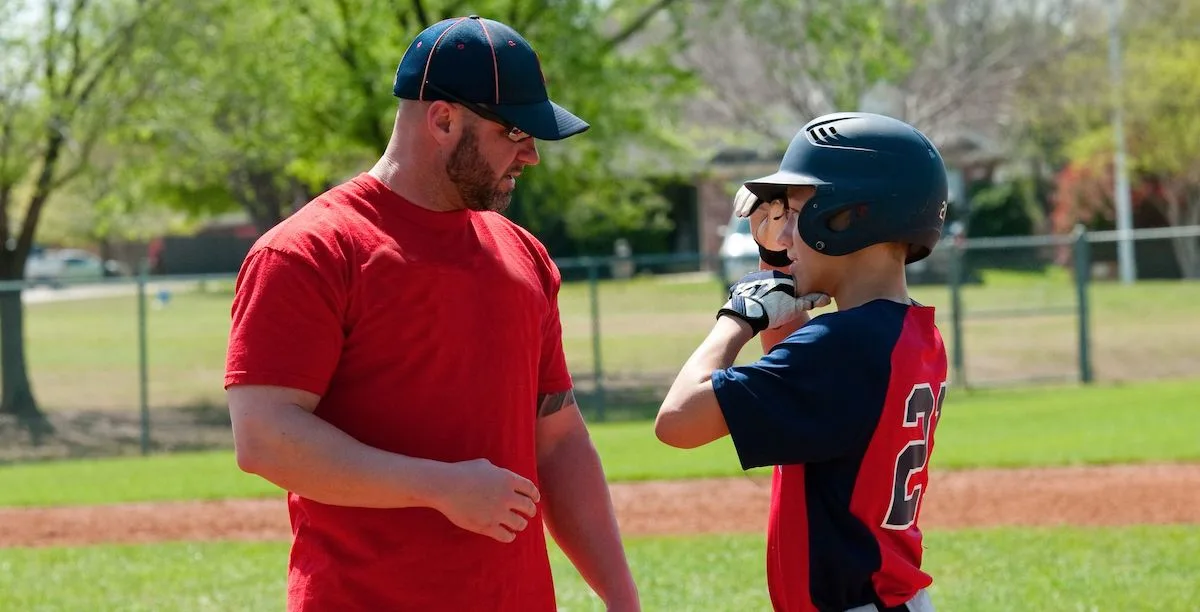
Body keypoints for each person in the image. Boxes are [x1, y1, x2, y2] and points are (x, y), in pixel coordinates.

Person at [224, 15, 639, 612]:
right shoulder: (309, 251)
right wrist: (439, 487)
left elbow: (559, 442)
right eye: (516, 131)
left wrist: (623, 601)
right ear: (443, 119)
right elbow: (264, 439)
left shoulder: (523, 254)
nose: (531, 156)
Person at [654, 112, 950, 612]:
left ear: (848, 215)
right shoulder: (906, 333)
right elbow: (794, 394)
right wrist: (774, 268)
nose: (785, 232)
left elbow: (678, 421)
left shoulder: (843, 344)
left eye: (795, 212)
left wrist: (736, 318)